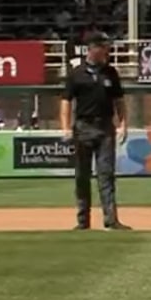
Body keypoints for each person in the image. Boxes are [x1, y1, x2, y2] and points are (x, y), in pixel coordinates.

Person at [60, 32, 131, 231]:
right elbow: (66, 101)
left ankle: (111, 220)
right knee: (82, 175)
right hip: (83, 126)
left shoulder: (110, 72)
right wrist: (65, 127)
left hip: (105, 126)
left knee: (106, 175)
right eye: (103, 47)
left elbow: (119, 101)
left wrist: (123, 124)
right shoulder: (76, 73)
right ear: (92, 48)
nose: (106, 50)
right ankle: (83, 221)